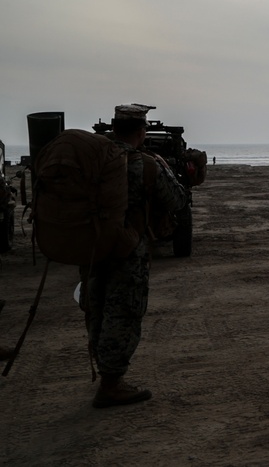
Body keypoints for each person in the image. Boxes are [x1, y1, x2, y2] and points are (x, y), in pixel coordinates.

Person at [80, 103, 188, 409]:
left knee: (97, 307)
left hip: (92, 248)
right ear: (141, 133)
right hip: (127, 251)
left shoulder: (93, 160)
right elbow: (177, 200)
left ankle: (104, 373)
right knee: (124, 312)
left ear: (113, 129)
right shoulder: (143, 164)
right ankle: (111, 385)